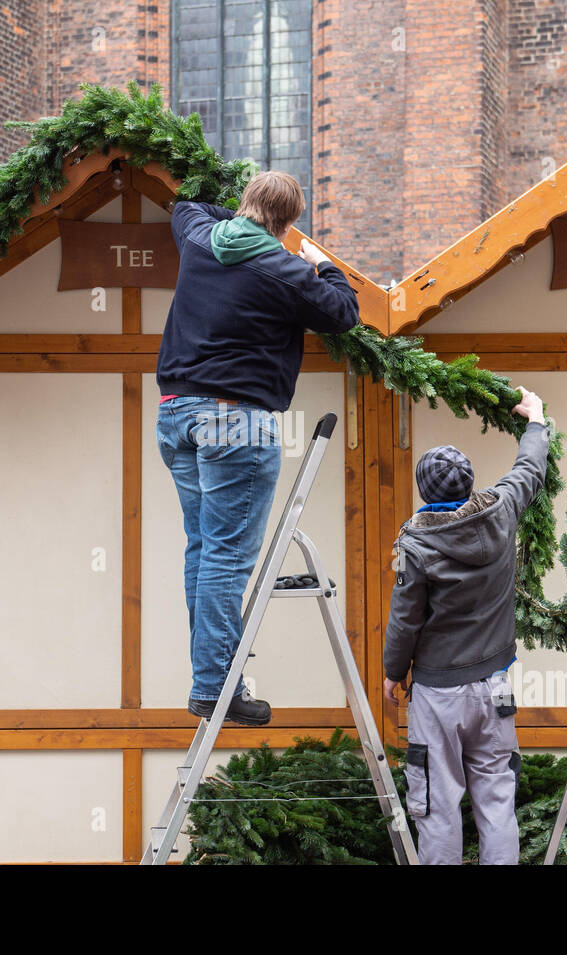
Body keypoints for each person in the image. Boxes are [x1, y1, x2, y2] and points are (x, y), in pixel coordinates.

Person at [155, 170, 360, 726]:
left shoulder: (197, 235)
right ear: (290, 222)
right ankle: (217, 687)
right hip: (234, 421)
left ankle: (209, 681)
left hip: (175, 414)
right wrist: (321, 262)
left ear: (244, 203)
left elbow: (187, 204)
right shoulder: (284, 268)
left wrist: (245, 218)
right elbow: (344, 313)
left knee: (202, 551)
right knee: (225, 557)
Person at [382, 387, 550, 864]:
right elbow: (530, 468)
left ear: (424, 491)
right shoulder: (502, 510)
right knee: (497, 801)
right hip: (494, 688)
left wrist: (394, 671)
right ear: (468, 482)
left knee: (437, 804)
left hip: (438, 695)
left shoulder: (416, 545)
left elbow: (405, 619)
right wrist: (535, 417)